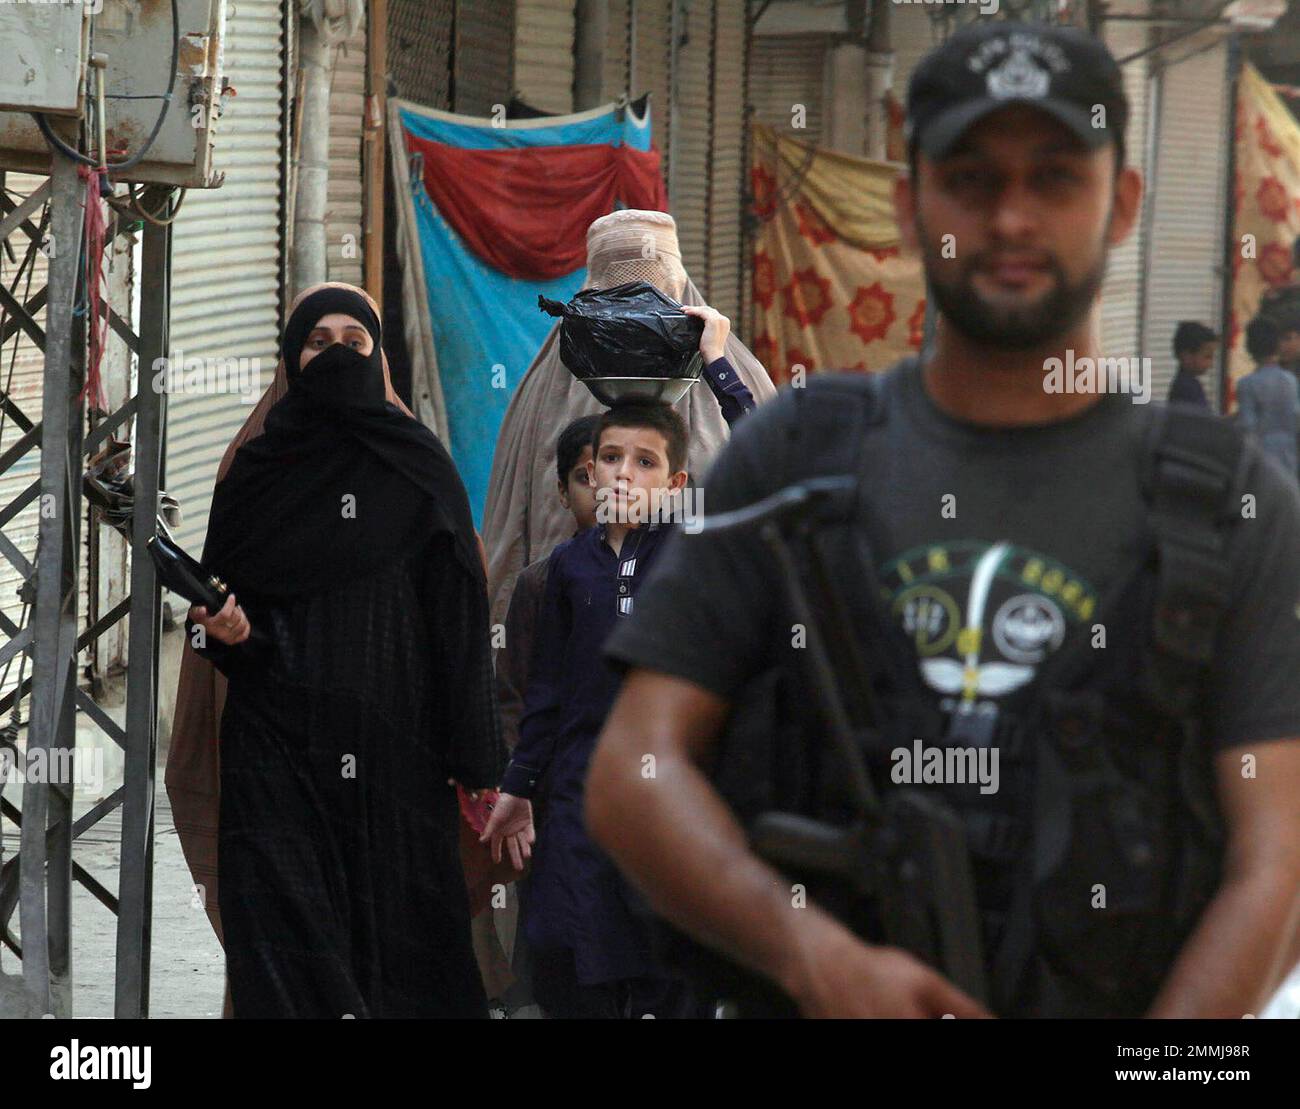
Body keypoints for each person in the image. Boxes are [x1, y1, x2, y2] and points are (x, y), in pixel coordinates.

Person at [588, 21, 1300, 1019]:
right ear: (910, 208)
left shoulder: (1227, 498)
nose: (1011, 217)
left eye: (1053, 177)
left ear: (1122, 204)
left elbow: (1277, 858)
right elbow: (633, 769)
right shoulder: (798, 452)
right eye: (970, 178)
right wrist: (813, 957)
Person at [175, 283, 506, 1018]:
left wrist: (480, 761)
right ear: (291, 358)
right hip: (274, 754)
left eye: (353, 343)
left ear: (378, 354)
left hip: (396, 757)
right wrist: (230, 633)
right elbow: (219, 625)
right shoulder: (255, 474)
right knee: (288, 950)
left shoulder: (422, 470)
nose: (335, 355)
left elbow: (459, 619)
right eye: (317, 342)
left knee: (400, 951)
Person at [481, 399, 704, 1019]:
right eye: (610, 459)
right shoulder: (566, 571)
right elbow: (544, 692)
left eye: (645, 461)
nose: (624, 474)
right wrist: (519, 787)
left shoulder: (693, 554)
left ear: (676, 484)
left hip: (673, 799)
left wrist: (716, 362)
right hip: (580, 794)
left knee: (667, 958)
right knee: (565, 948)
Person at [481, 208, 776, 626]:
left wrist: (714, 359)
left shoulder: (731, 373)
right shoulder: (547, 390)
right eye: (619, 297)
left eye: (652, 299)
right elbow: (518, 541)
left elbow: (770, 464)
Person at [1236, 315, 1300, 483]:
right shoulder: (1290, 381)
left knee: (1250, 507)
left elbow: (1247, 426)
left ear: (1250, 348)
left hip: (1260, 462)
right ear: (1277, 345)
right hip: (1288, 458)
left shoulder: (1247, 384)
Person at [1167, 321, 1216, 408]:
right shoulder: (1186, 388)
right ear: (1187, 357)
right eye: (1207, 356)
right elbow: (1201, 420)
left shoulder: (1190, 384)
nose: (1210, 364)